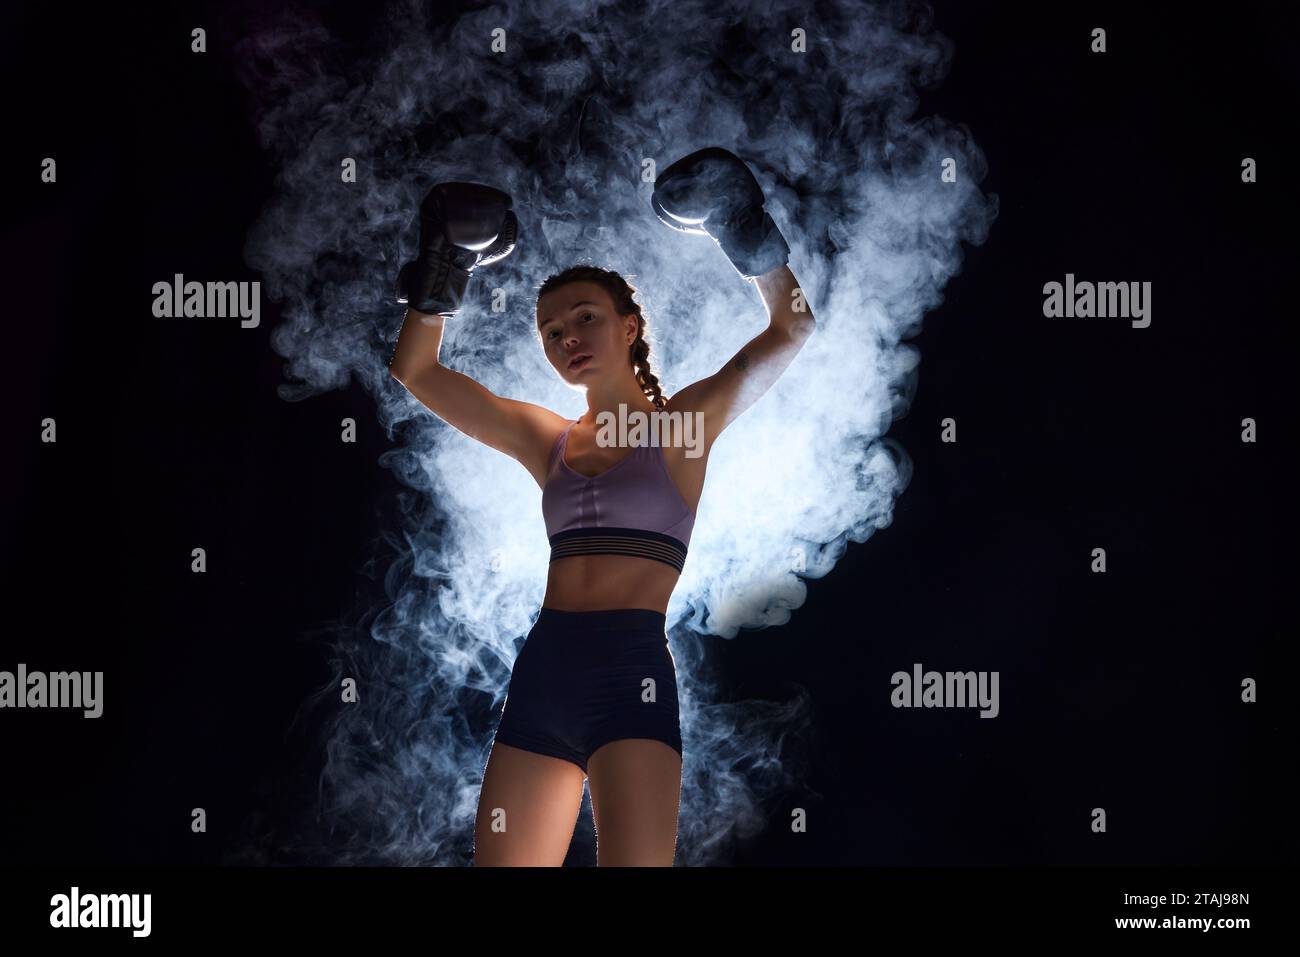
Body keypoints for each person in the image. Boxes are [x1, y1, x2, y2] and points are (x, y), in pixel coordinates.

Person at [387, 148, 816, 865]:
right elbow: (416, 370)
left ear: (629, 327)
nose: (567, 339)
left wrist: (744, 227)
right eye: (552, 333)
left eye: (584, 317)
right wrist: (442, 266)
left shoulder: (684, 426)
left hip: (632, 678)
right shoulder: (544, 439)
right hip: (544, 675)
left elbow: (793, 328)